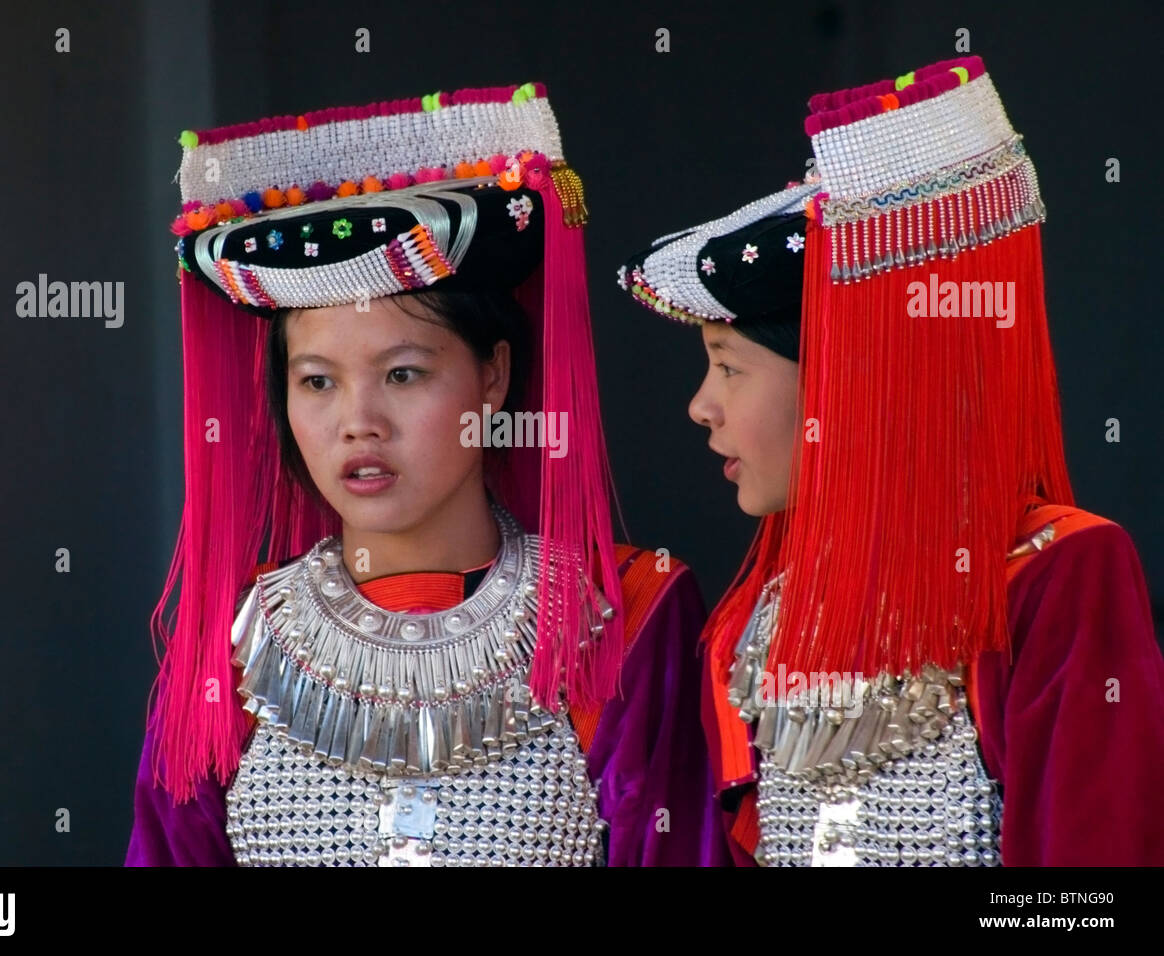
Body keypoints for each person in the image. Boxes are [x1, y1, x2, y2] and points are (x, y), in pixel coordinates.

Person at [125, 81, 728, 866]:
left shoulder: (621, 620)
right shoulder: (230, 644)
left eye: (403, 375)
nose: (358, 421)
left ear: (493, 377)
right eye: (317, 381)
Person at [618, 55, 1164, 866]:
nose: (701, 405)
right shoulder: (748, 631)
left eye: (728, 366)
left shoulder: (1051, 580)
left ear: (850, 383)